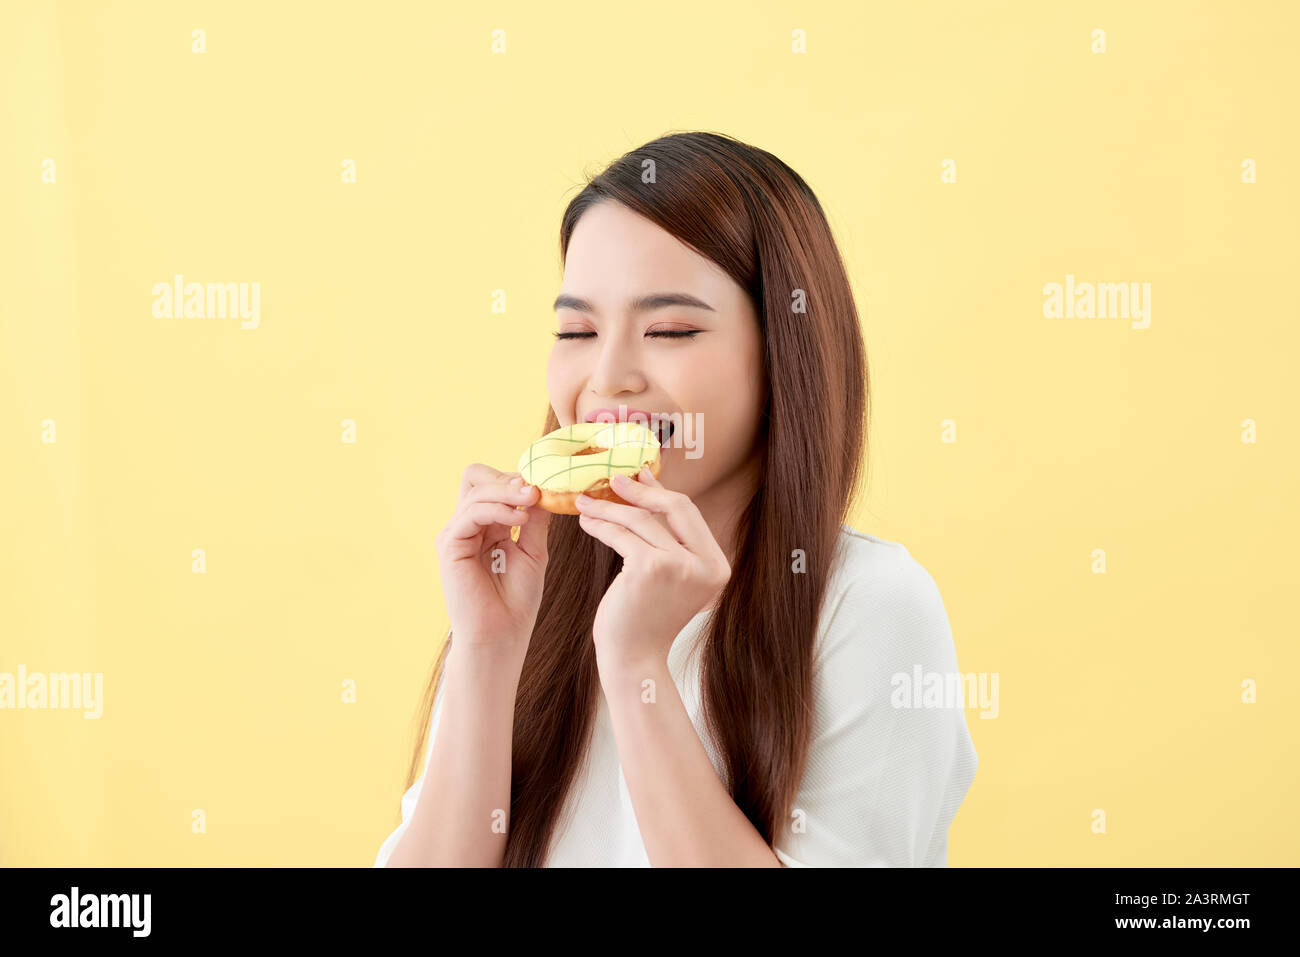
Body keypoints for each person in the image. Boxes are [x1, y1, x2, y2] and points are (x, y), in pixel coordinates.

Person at [375, 131, 977, 867]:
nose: (609, 375)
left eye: (670, 329)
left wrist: (637, 666)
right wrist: (488, 652)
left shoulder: (872, 605)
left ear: (782, 350)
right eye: (577, 329)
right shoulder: (529, 601)